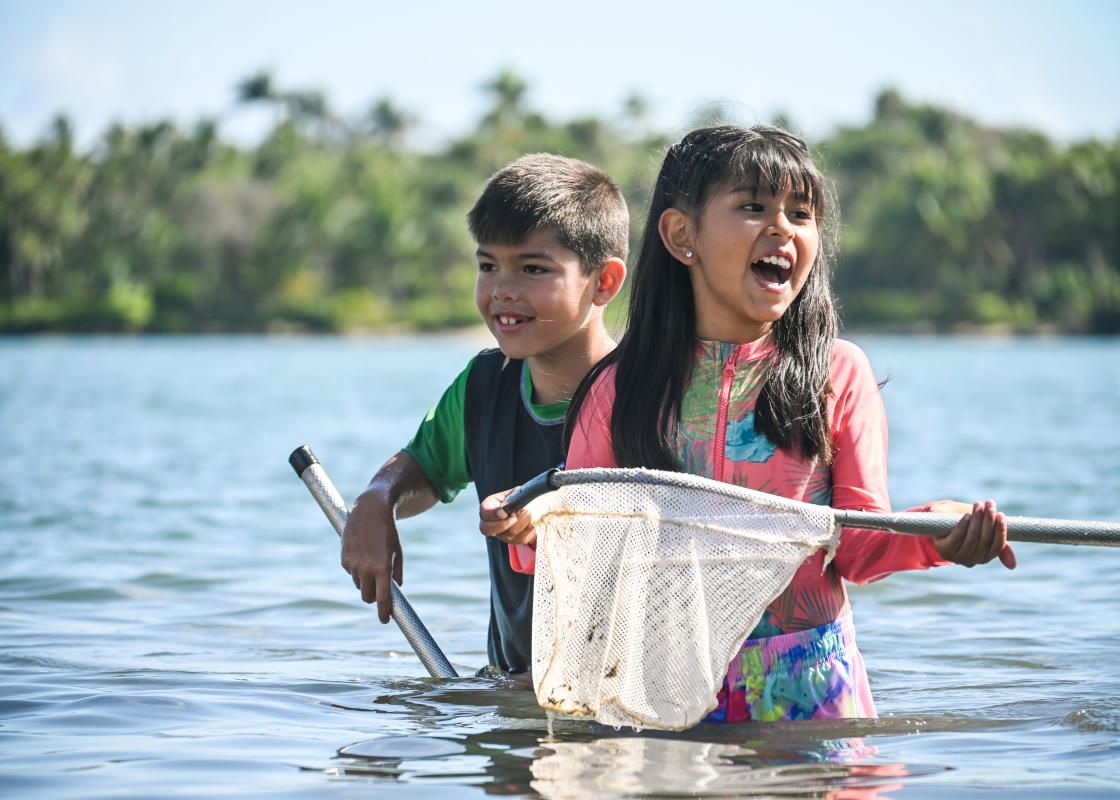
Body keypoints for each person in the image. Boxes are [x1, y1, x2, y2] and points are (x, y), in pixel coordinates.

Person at [483, 125, 1015, 719]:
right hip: (663, 697)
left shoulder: (838, 373)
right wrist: (534, 527)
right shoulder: (617, 389)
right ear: (682, 236)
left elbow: (861, 546)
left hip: (809, 697)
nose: (782, 228)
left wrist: (936, 532)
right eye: (753, 207)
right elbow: (588, 560)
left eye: (801, 213)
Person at [340, 153, 628, 675]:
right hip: (516, 692)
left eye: (533, 269)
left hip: (626, 694)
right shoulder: (484, 385)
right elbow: (424, 469)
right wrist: (377, 499)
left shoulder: (645, 391)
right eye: (488, 265)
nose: (502, 290)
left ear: (604, 283)